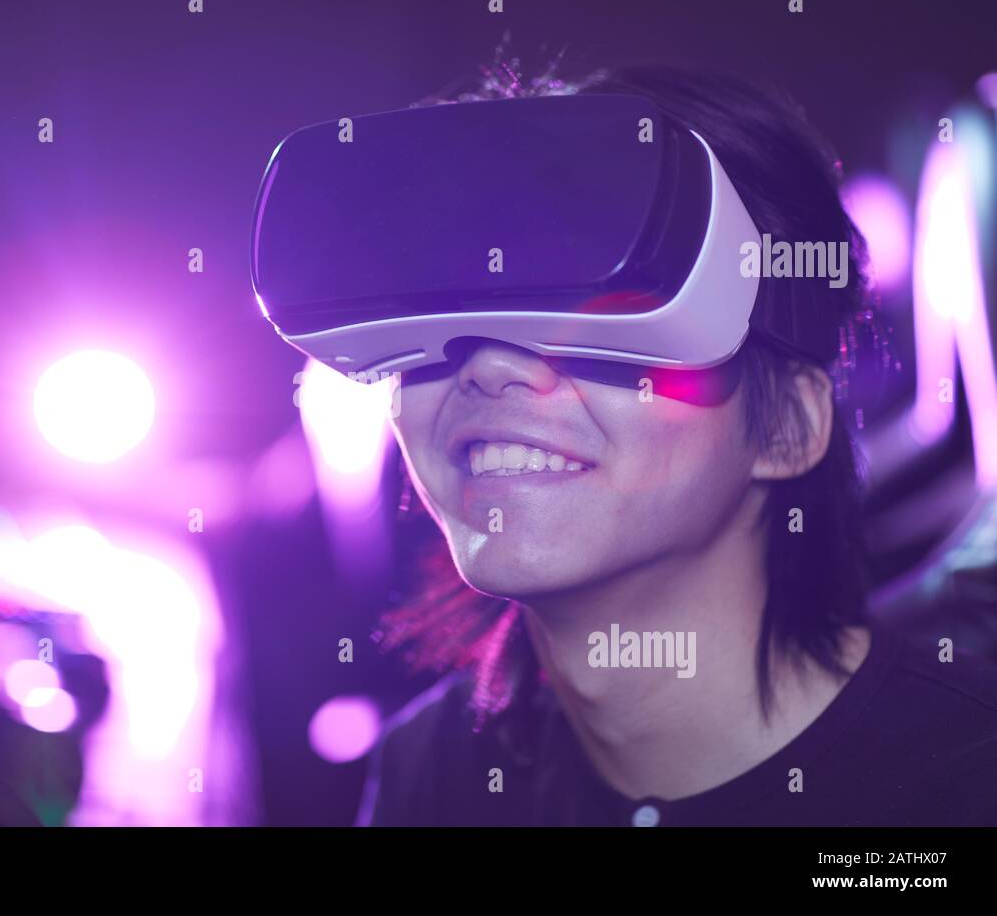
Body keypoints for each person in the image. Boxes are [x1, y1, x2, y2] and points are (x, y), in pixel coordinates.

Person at [354, 64, 997, 826]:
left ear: (787, 425)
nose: (492, 365)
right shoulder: (432, 773)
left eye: (609, 311)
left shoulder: (962, 783)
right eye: (458, 309)